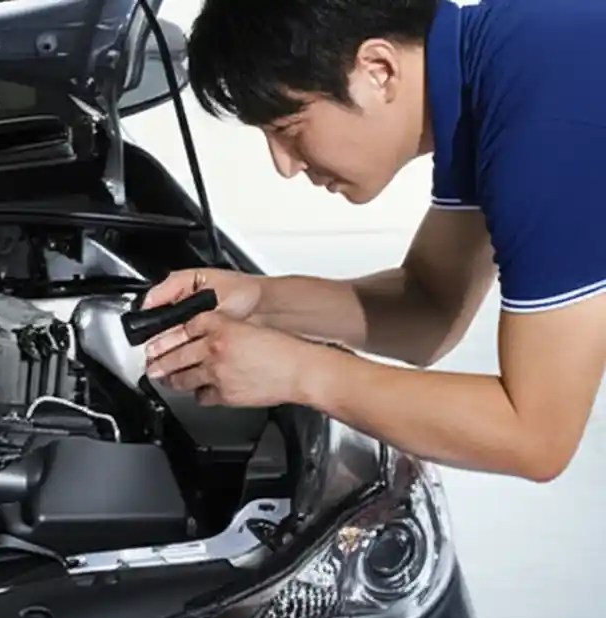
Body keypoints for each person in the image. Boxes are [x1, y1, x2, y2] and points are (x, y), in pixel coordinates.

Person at [140, 0, 606, 483]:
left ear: (378, 70)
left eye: (289, 129)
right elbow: (428, 307)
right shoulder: (493, 67)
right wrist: (258, 299)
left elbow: (534, 438)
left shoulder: (546, 127)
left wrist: (300, 372)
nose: (285, 164)